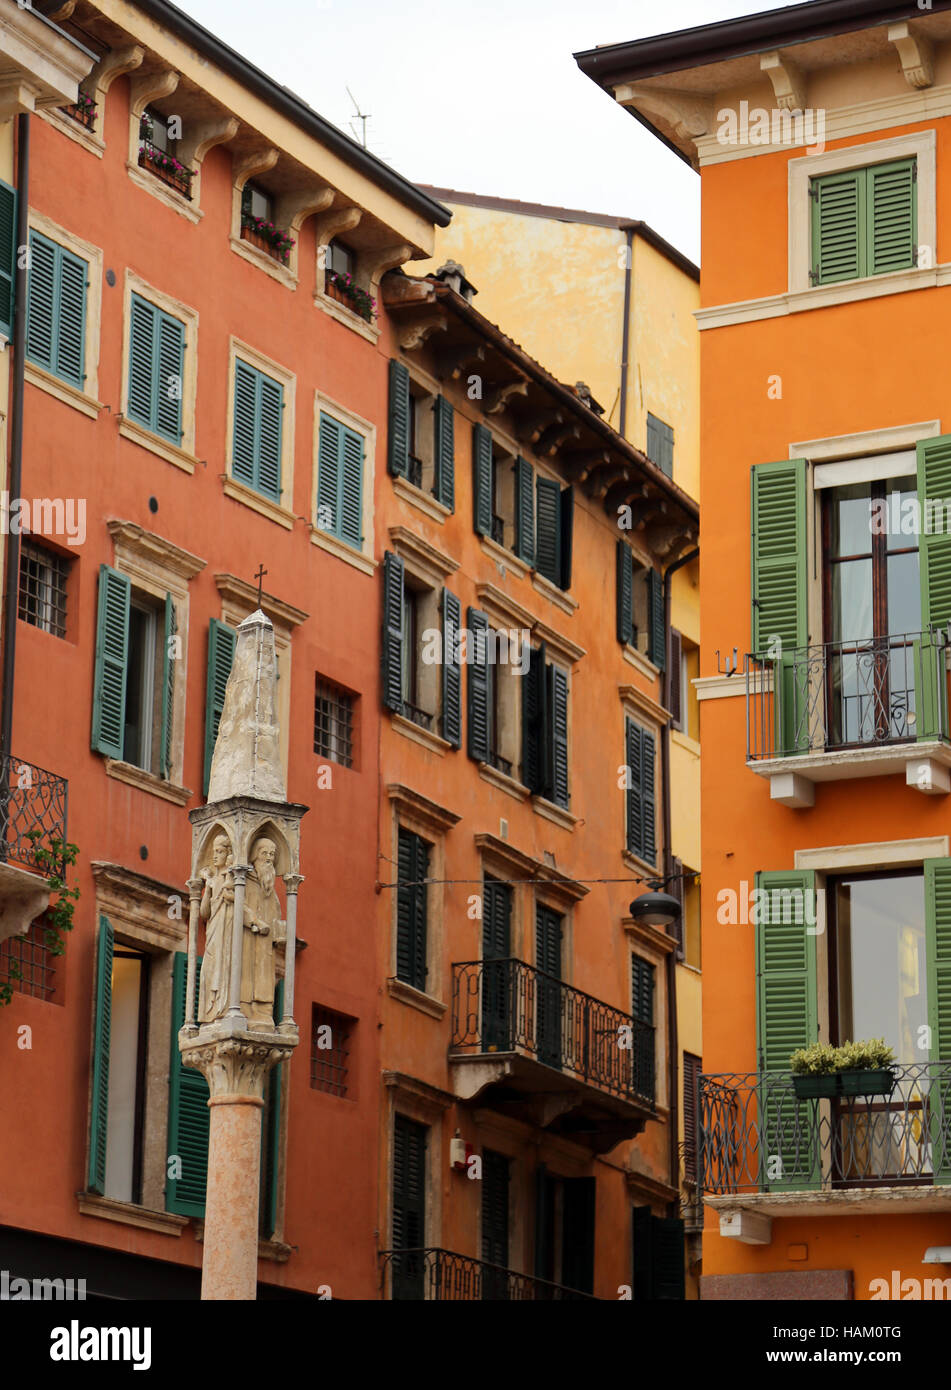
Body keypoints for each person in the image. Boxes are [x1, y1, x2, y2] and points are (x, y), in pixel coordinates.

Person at [241, 837, 286, 1025]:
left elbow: (276, 910)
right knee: (246, 971)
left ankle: (264, 1011)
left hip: (267, 944)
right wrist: (255, 921)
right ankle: (243, 1009)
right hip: (247, 938)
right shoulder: (245, 882)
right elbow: (237, 907)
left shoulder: (270, 888)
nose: (268, 859)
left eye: (272, 855)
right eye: (264, 853)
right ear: (254, 856)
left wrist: (280, 932)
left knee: (265, 974)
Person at [198, 834, 235, 1023]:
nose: (215, 856)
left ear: (228, 853)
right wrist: (208, 887)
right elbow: (204, 913)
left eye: (219, 851)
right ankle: (210, 1009)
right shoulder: (214, 879)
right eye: (214, 852)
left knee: (223, 964)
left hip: (225, 929)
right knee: (208, 967)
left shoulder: (232, 878)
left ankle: (222, 1006)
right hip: (213, 928)